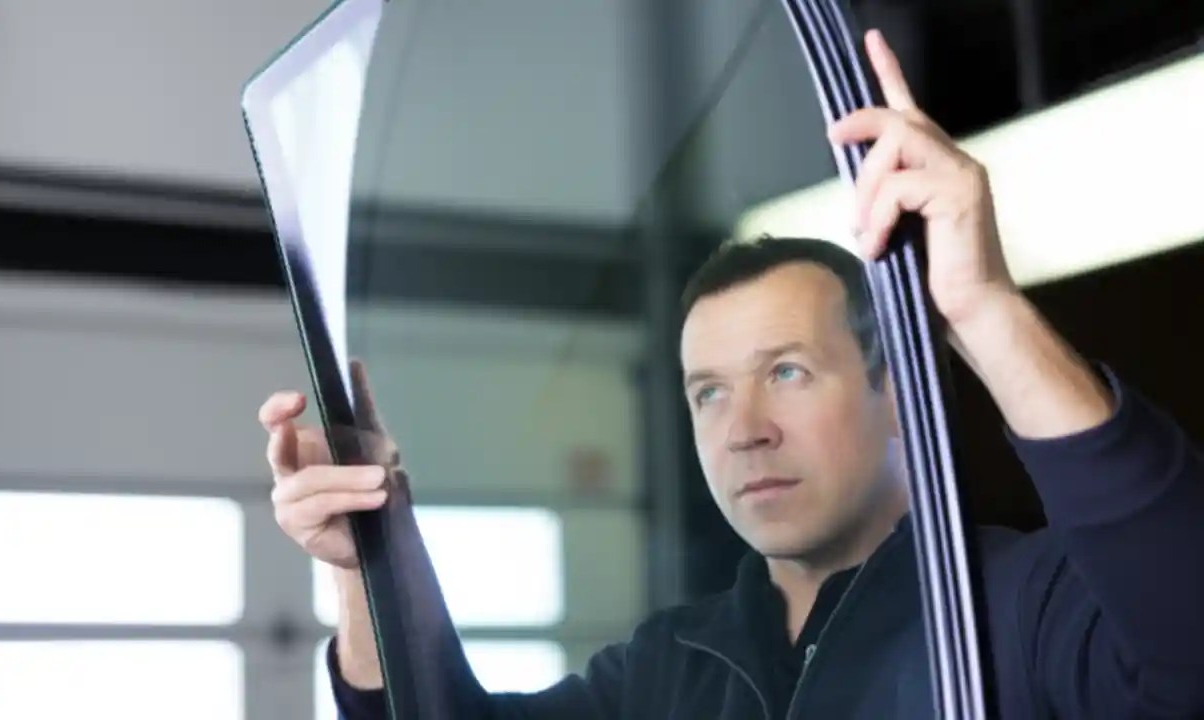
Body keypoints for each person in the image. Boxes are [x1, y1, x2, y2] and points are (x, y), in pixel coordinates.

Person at [258, 29, 1204, 719]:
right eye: (708, 391)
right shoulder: (668, 667)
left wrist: (985, 308)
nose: (742, 427)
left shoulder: (1019, 603)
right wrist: (367, 559)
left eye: (786, 372)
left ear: (898, 393)